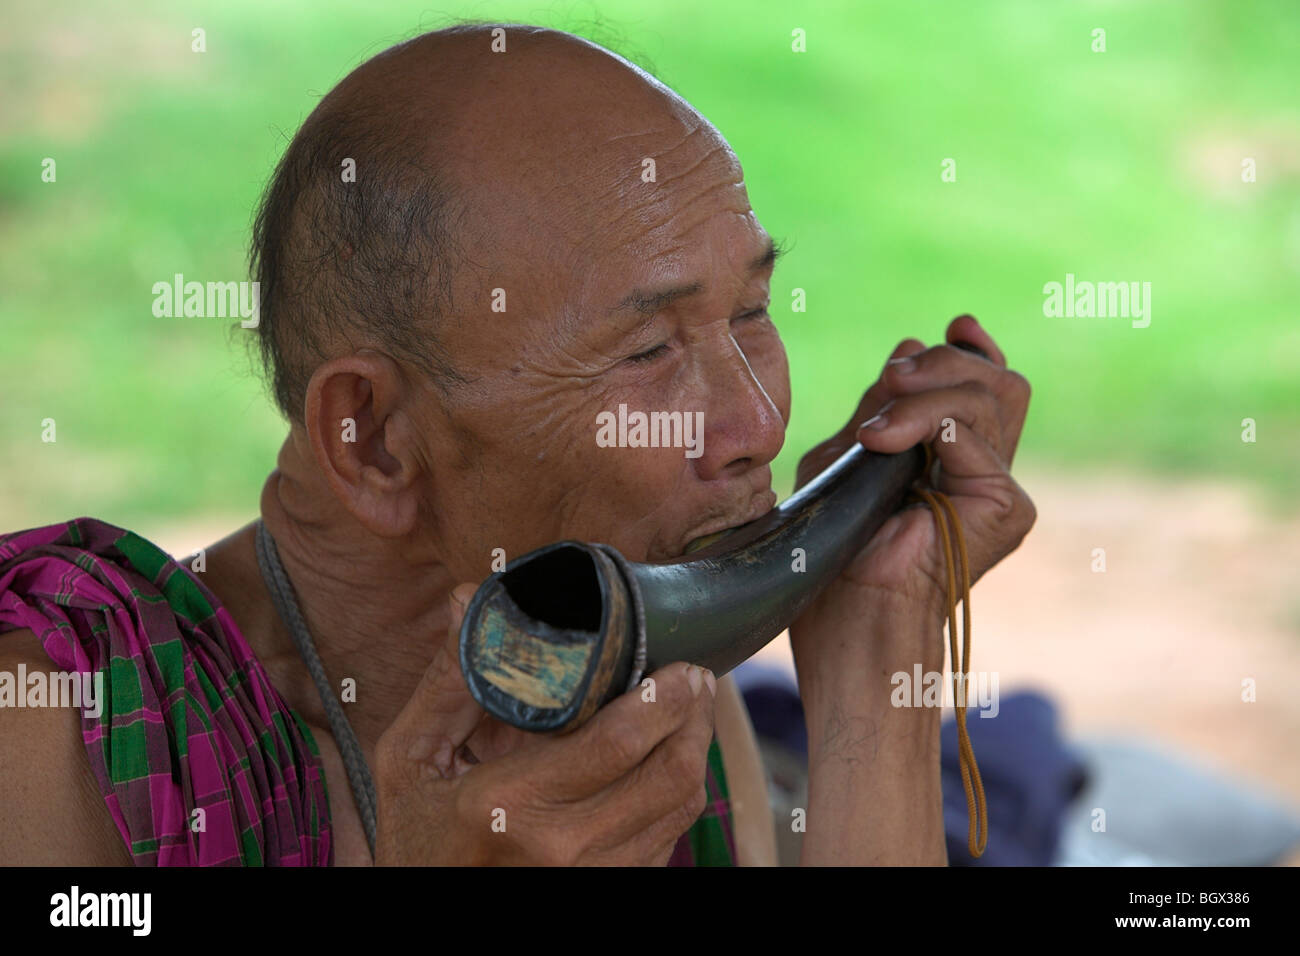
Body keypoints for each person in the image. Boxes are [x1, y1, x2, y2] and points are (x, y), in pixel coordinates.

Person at [0, 23, 1034, 865]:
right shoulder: (60, 730)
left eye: (752, 311)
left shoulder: (660, 703)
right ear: (371, 441)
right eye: (646, 351)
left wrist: (872, 665)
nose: (756, 425)